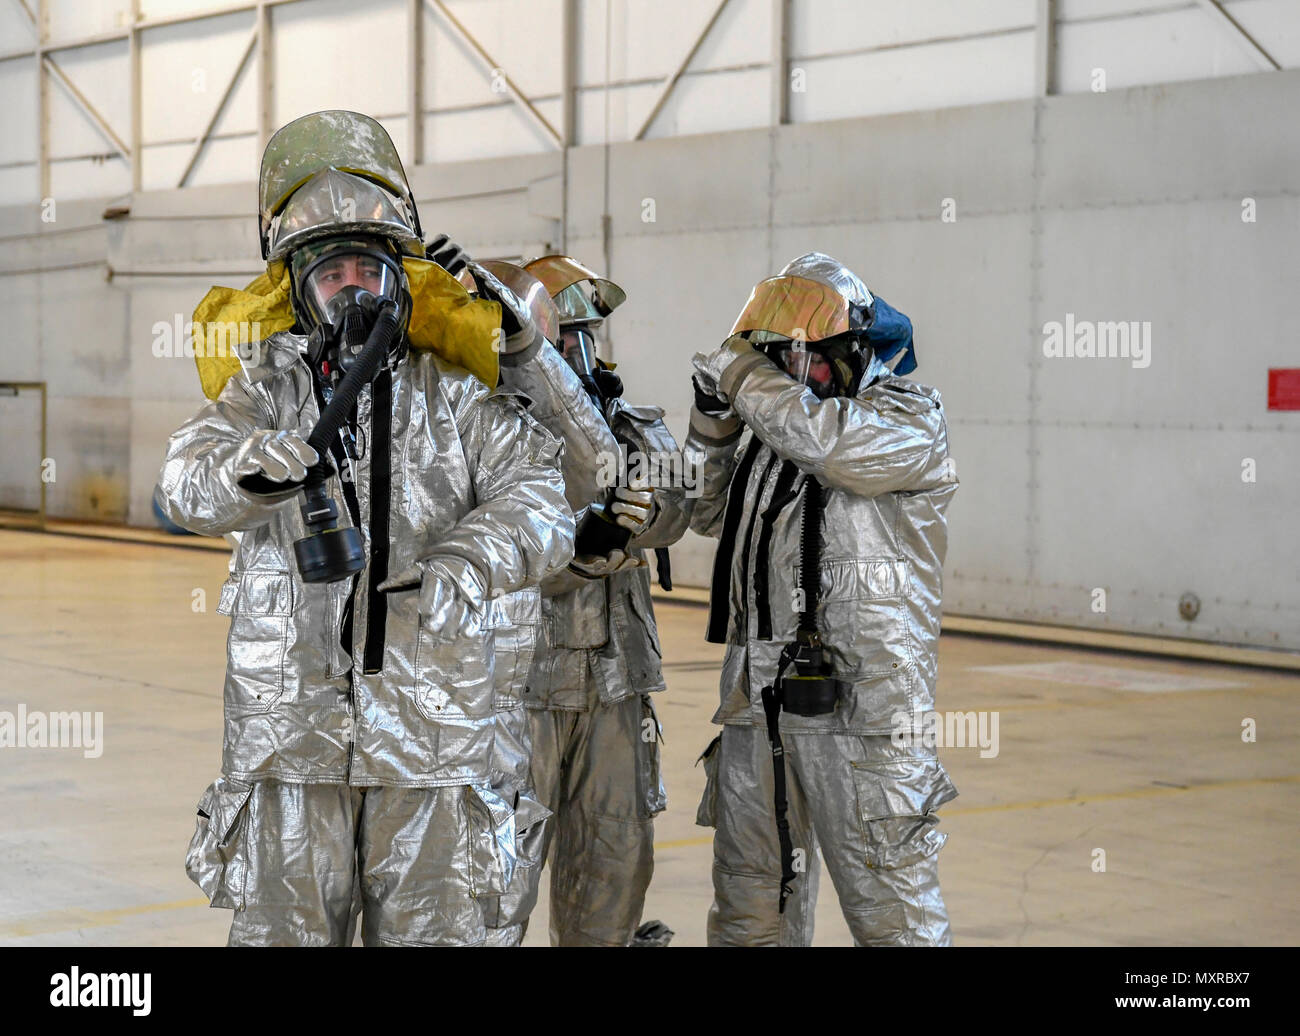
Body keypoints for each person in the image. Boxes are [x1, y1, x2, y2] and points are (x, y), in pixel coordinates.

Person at [160, 110, 573, 946]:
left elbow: (543, 500)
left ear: (398, 282)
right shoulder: (264, 390)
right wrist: (248, 469)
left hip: (432, 745)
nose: (352, 288)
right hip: (290, 744)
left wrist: (467, 560)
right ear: (302, 290)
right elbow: (181, 485)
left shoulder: (455, 393)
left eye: (368, 269)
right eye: (332, 272)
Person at [686, 252, 960, 946]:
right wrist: (713, 419)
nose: (789, 370)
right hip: (758, 709)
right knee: (750, 908)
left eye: (803, 355)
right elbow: (701, 510)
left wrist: (741, 373)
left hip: (864, 720)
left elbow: (834, 451)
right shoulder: (772, 437)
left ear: (852, 351)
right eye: (777, 355)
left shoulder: (910, 419)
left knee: (892, 914)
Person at [505, 254, 689, 946]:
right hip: (523, 691)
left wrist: (633, 517)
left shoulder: (626, 423)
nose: (580, 353)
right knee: (498, 877)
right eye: (564, 338)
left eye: (586, 337)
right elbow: (509, 553)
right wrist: (588, 551)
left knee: (612, 867)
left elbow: (680, 503)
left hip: (617, 688)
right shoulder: (500, 431)